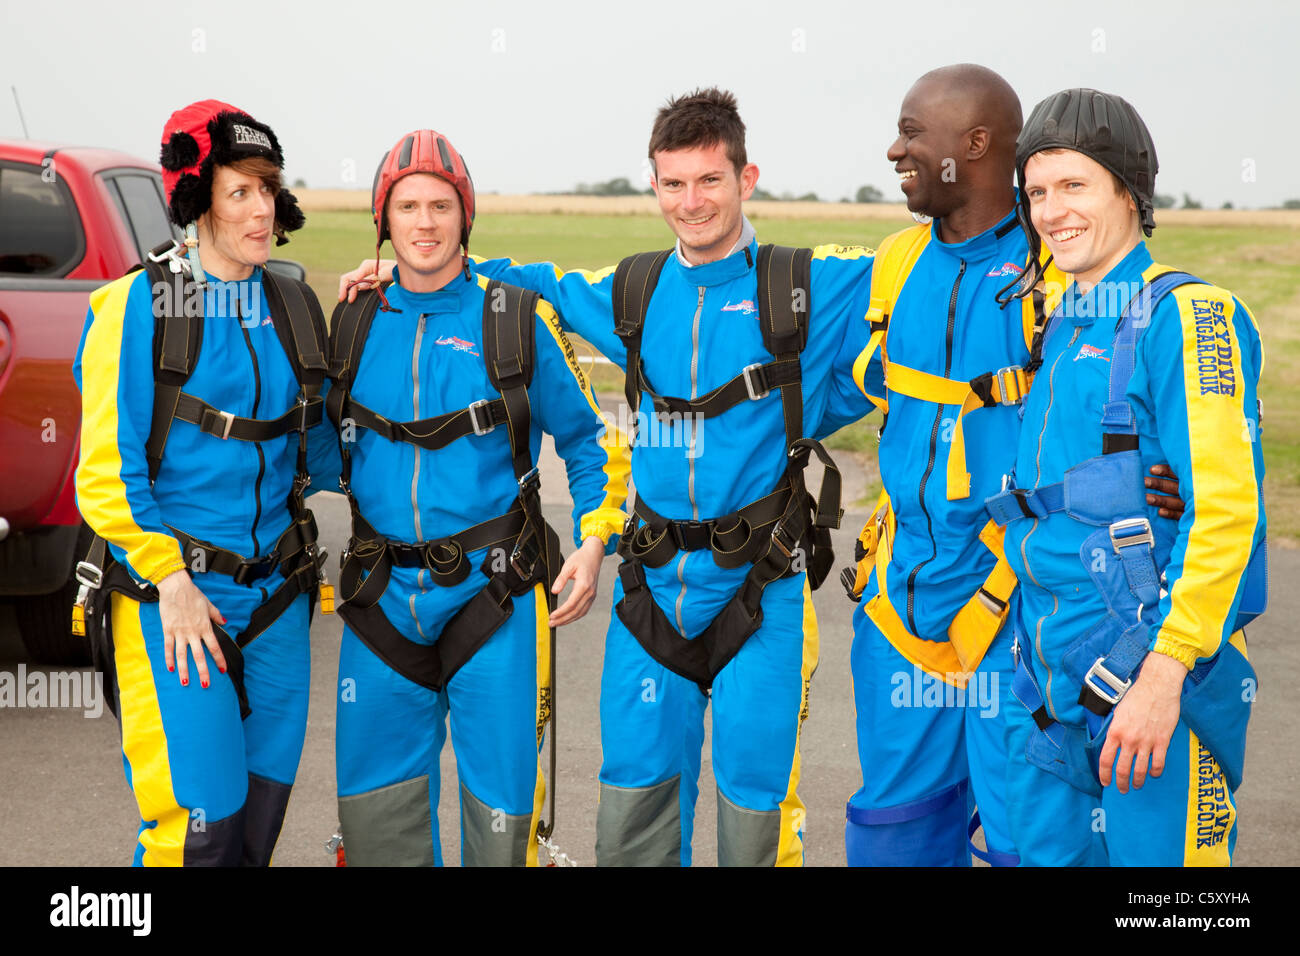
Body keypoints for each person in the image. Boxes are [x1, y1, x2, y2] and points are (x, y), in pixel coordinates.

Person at [342, 88, 873, 866]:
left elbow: (926, 269)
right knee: (631, 812)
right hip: (650, 590)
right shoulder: (634, 291)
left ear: (746, 178)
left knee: (754, 814)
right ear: (652, 185)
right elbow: (534, 284)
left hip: (763, 591)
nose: (691, 203)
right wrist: (421, 255)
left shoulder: (806, 284)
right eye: (672, 183)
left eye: (710, 181)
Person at [841, 65, 1187, 867]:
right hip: (902, 610)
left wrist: (1156, 480)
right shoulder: (893, 263)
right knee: (896, 833)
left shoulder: (1068, 272)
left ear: (974, 144)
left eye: (911, 132)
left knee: (1032, 844)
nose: (894, 148)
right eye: (1048, 187)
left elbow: (1139, 388)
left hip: (1022, 617)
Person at [329, 129, 630, 866]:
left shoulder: (516, 320)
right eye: (407, 207)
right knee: (376, 829)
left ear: (466, 216)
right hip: (378, 601)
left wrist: (594, 546)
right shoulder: (353, 321)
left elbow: (593, 443)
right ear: (384, 220)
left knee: (502, 827)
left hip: (493, 600)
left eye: (441, 205)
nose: (425, 223)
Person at [984, 88, 1265, 865]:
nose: (1050, 211)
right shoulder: (1058, 317)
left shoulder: (1185, 316)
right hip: (1045, 688)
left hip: (1152, 687)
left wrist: (1163, 677)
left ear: (1129, 191)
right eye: (1036, 192)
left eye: (1074, 185)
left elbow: (1227, 512)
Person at [73, 100, 340, 865]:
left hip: (280, 602)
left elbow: (323, 454)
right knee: (200, 832)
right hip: (177, 603)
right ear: (197, 199)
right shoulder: (141, 306)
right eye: (240, 192)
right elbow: (106, 476)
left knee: (256, 833)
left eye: (269, 189)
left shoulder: (290, 301)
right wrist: (170, 581)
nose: (262, 210)